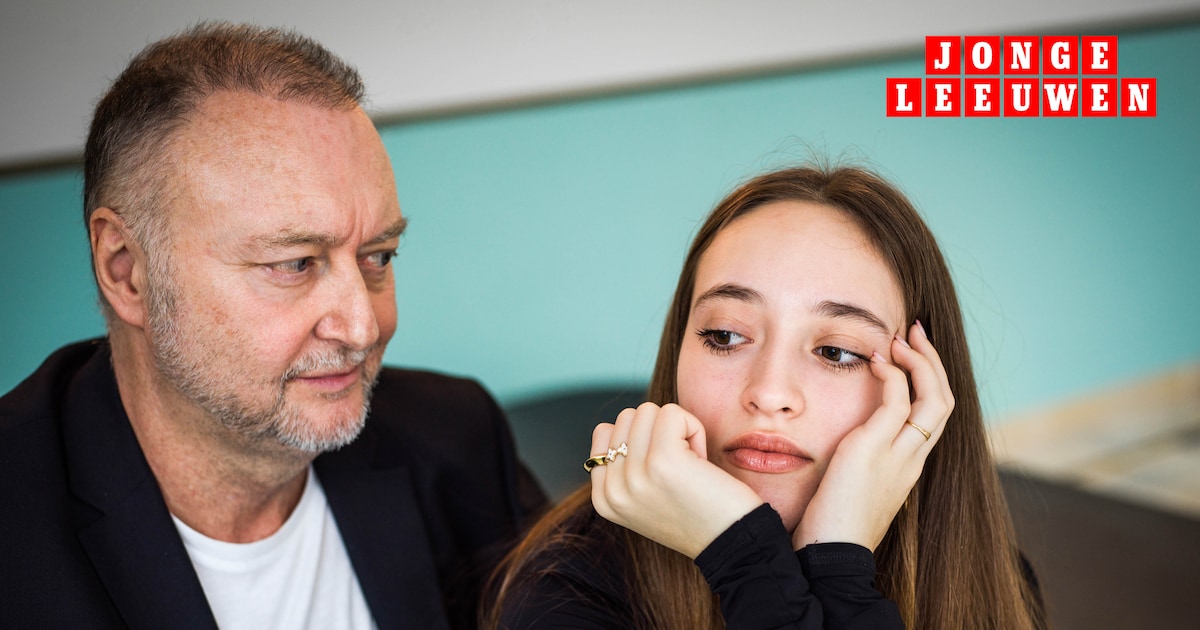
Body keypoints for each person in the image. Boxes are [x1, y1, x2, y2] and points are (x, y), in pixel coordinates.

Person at [0, 23, 545, 629]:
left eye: (379, 257)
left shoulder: (453, 440)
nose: (363, 328)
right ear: (126, 271)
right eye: (294, 264)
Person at [485, 165, 1046, 629]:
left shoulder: (985, 576)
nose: (770, 394)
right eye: (724, 336)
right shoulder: (567, 593)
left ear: (920, 385)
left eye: (835, 352)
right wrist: (749, 560)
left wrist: (834, 570)